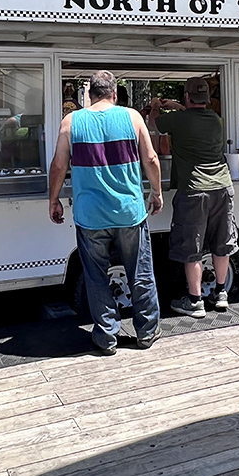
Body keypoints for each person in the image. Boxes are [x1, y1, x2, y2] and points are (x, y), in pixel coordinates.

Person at [49, 70, 163, 355]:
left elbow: (59, 165)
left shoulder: (70, 122)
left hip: (90, 216)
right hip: (129, 213)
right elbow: (151, 158)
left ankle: (106, 336)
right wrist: (156, 192)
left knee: (96, 277)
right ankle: (147, 331)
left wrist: (54, 199)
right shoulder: (132, 117)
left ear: (89, 95)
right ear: (114, 93)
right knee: (140, 272)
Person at [150, 77, 238, 319]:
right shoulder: (215, 120)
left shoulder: (178, 120)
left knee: (192, 246)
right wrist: (178, 106)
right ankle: (221, 293)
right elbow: (192, 115)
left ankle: (195, 301)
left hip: (194, 190)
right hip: (223, 187)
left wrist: (156, 105)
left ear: (187, 97)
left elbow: (155, 124)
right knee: (221, 243)